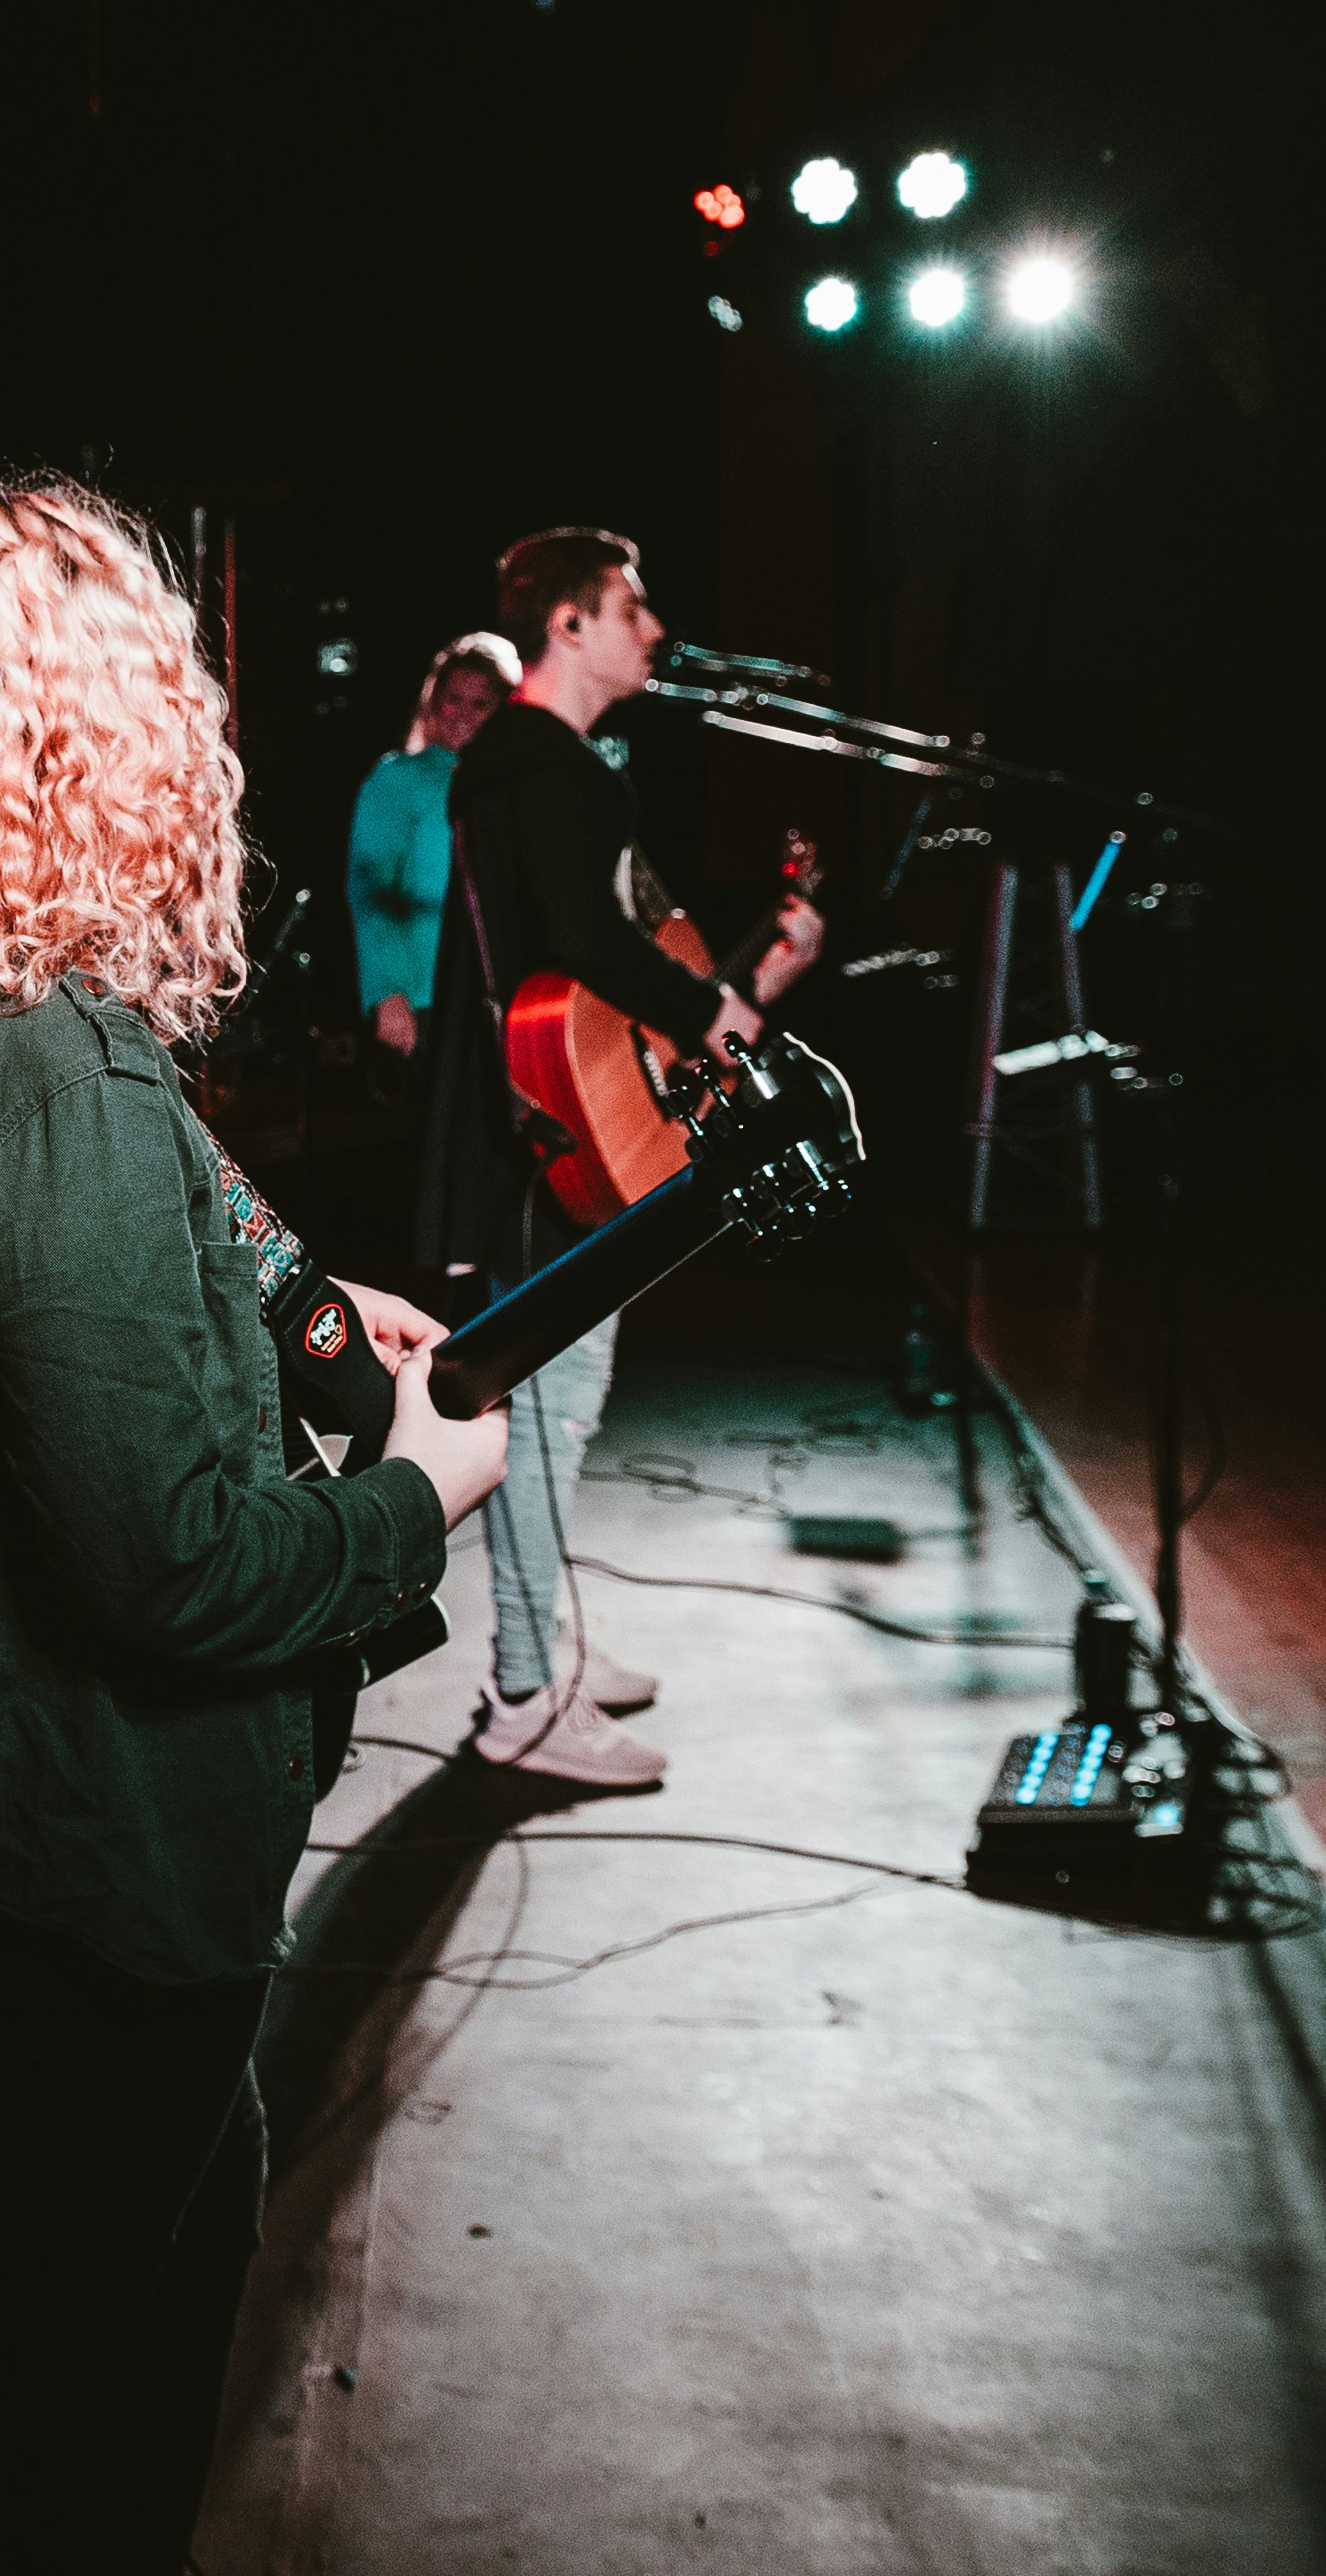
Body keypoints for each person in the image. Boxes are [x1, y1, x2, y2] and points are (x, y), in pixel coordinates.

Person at [0, 477, 509, 2571]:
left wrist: (316, 1313)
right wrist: (420, 1491)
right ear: (96, 728)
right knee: (95, 2383)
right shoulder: (36, 1063)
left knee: (71, 2292)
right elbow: (170, 1565)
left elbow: (173, 1255)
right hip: (92, 1844)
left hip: (22, 1847)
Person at [424, 526, 821, 1787]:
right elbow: (583, 941)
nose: (656, 630)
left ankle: (546, 1646)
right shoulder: (548, 767)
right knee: (546, 1412)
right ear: (573, 626)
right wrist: (718, 1008)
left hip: (528, 1125)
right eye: (633, 608)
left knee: (563, 1405)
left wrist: (733, 975)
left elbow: (599, 948)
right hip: (537, 1140)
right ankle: (527, 1700)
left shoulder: (542, 765)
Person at [343, 629, 523, 1061]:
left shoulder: (511, 786)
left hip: (511, 1000)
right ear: (433, 700)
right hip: (427, 1002)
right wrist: (386, 991)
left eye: (481, 703)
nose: (464, 713)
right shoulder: (395, 780)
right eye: (454, 698)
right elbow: (369, 895)